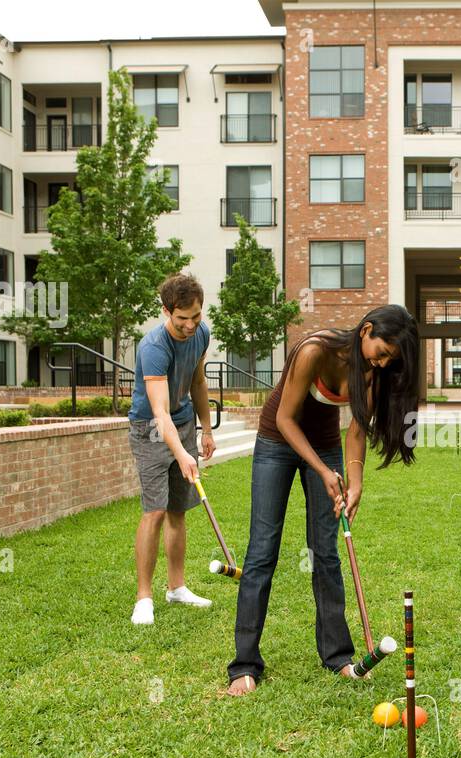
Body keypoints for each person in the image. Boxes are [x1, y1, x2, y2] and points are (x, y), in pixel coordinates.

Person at [225, 305, 420, 697]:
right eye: (381, 352)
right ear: (366, 330)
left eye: (390, 360)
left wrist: (355, 481)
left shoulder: (372, 372)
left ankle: (338, 657)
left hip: (328, 446)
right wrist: (322, 471)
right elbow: (285, 419)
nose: (382, 364)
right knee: (262, 550)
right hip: (277, 442)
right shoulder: (314, 350)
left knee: (325, 552)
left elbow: (357, 432)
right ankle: (244, 665)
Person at [126, 272, 216, 625]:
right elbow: (159, 411)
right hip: (150, 428)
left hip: (182, 423)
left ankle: (176, 587)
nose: (191, 325)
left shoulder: (201, 333)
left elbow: (197, 380)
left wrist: (205, 429)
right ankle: (143, 598)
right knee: (155, 511)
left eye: (196, 316)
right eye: (183, 319)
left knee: (178, 510)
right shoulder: (153, 347)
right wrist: (181, 453)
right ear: (166, 311)